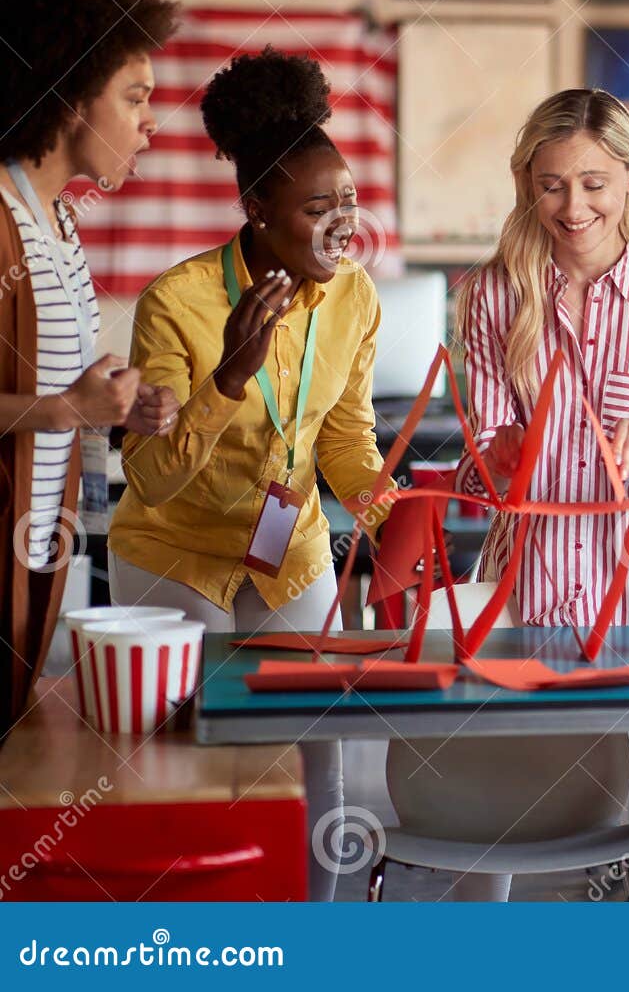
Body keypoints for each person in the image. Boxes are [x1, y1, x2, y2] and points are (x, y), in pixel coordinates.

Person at [109, 48, 394, 902]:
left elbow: (346, 440)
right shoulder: (179, 301)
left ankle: (317, 946)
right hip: (177, 553)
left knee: (322, 776)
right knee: (183, 768)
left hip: (290, 552)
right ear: (256, 208)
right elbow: (152, 475)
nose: (344, 225)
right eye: (318, 208)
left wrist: (388, 512)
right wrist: (229, 376)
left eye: (348, 202)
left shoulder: (355, 298)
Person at [456, 88, 629, 902]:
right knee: (507, 813)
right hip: (527, 596)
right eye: (551, 185)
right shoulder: (491, 295)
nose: (572, 207)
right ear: (528, 184)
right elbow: (480, 472)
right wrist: (500, 456)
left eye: (592, 183)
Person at [0, 0, 181, 735]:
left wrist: (111, 409)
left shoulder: (60, 224)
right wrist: (71, 405)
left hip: (42, 558)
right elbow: (50, 405)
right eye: (134, 98)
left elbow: (51, 397)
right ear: (71, 95)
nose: (151, 123)